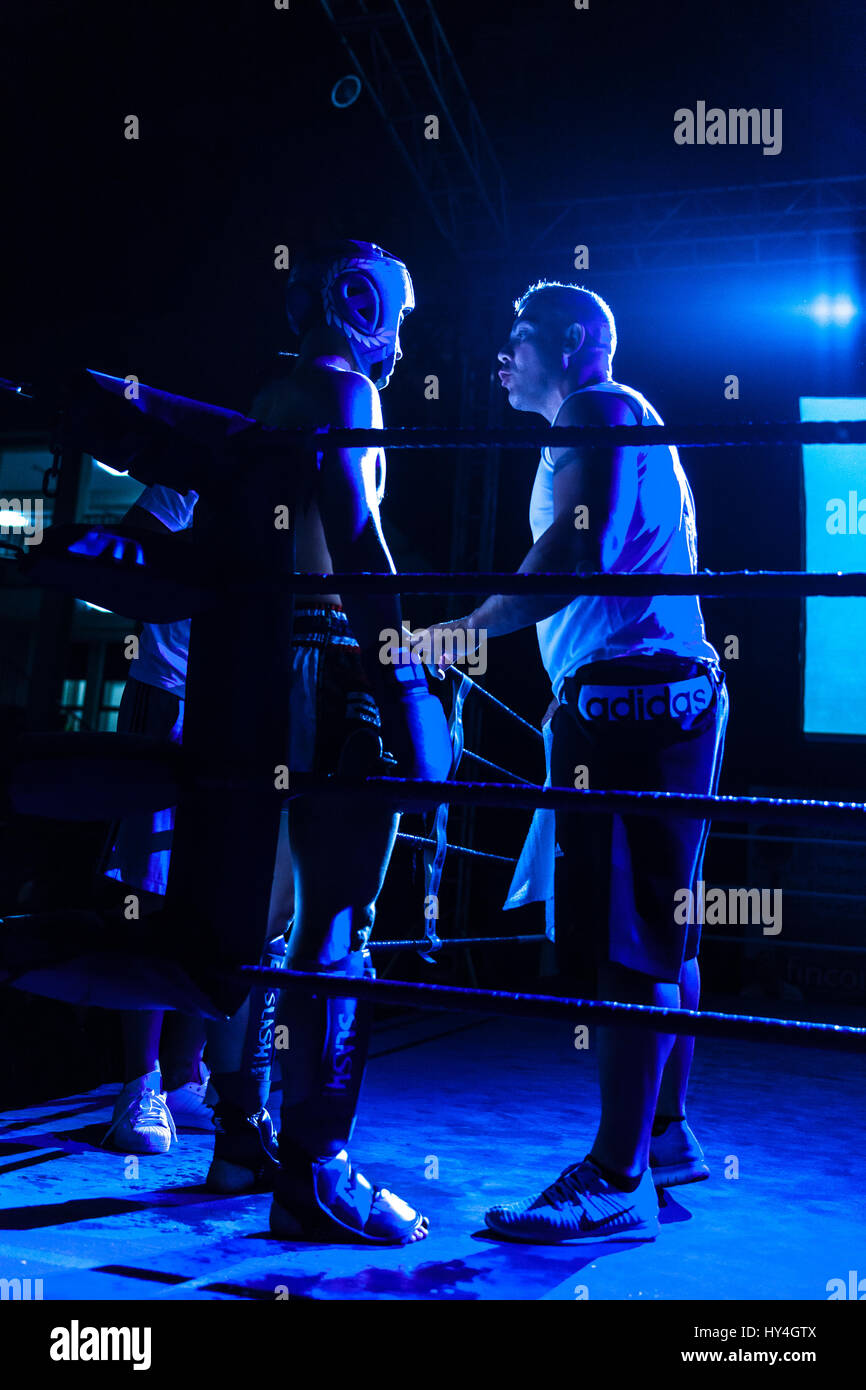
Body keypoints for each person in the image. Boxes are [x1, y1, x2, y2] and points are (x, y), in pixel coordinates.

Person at [416, 280, 727, 1243]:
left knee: (633, 945)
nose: (500, 358)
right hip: (667, 697)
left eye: (518, 339)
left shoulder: (598, 407)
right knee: (668, 933)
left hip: (633, 705)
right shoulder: (620, 418)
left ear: (577, 342)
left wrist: (463, 633)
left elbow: (570, 552)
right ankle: (664, 1137)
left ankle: (617, 1175)